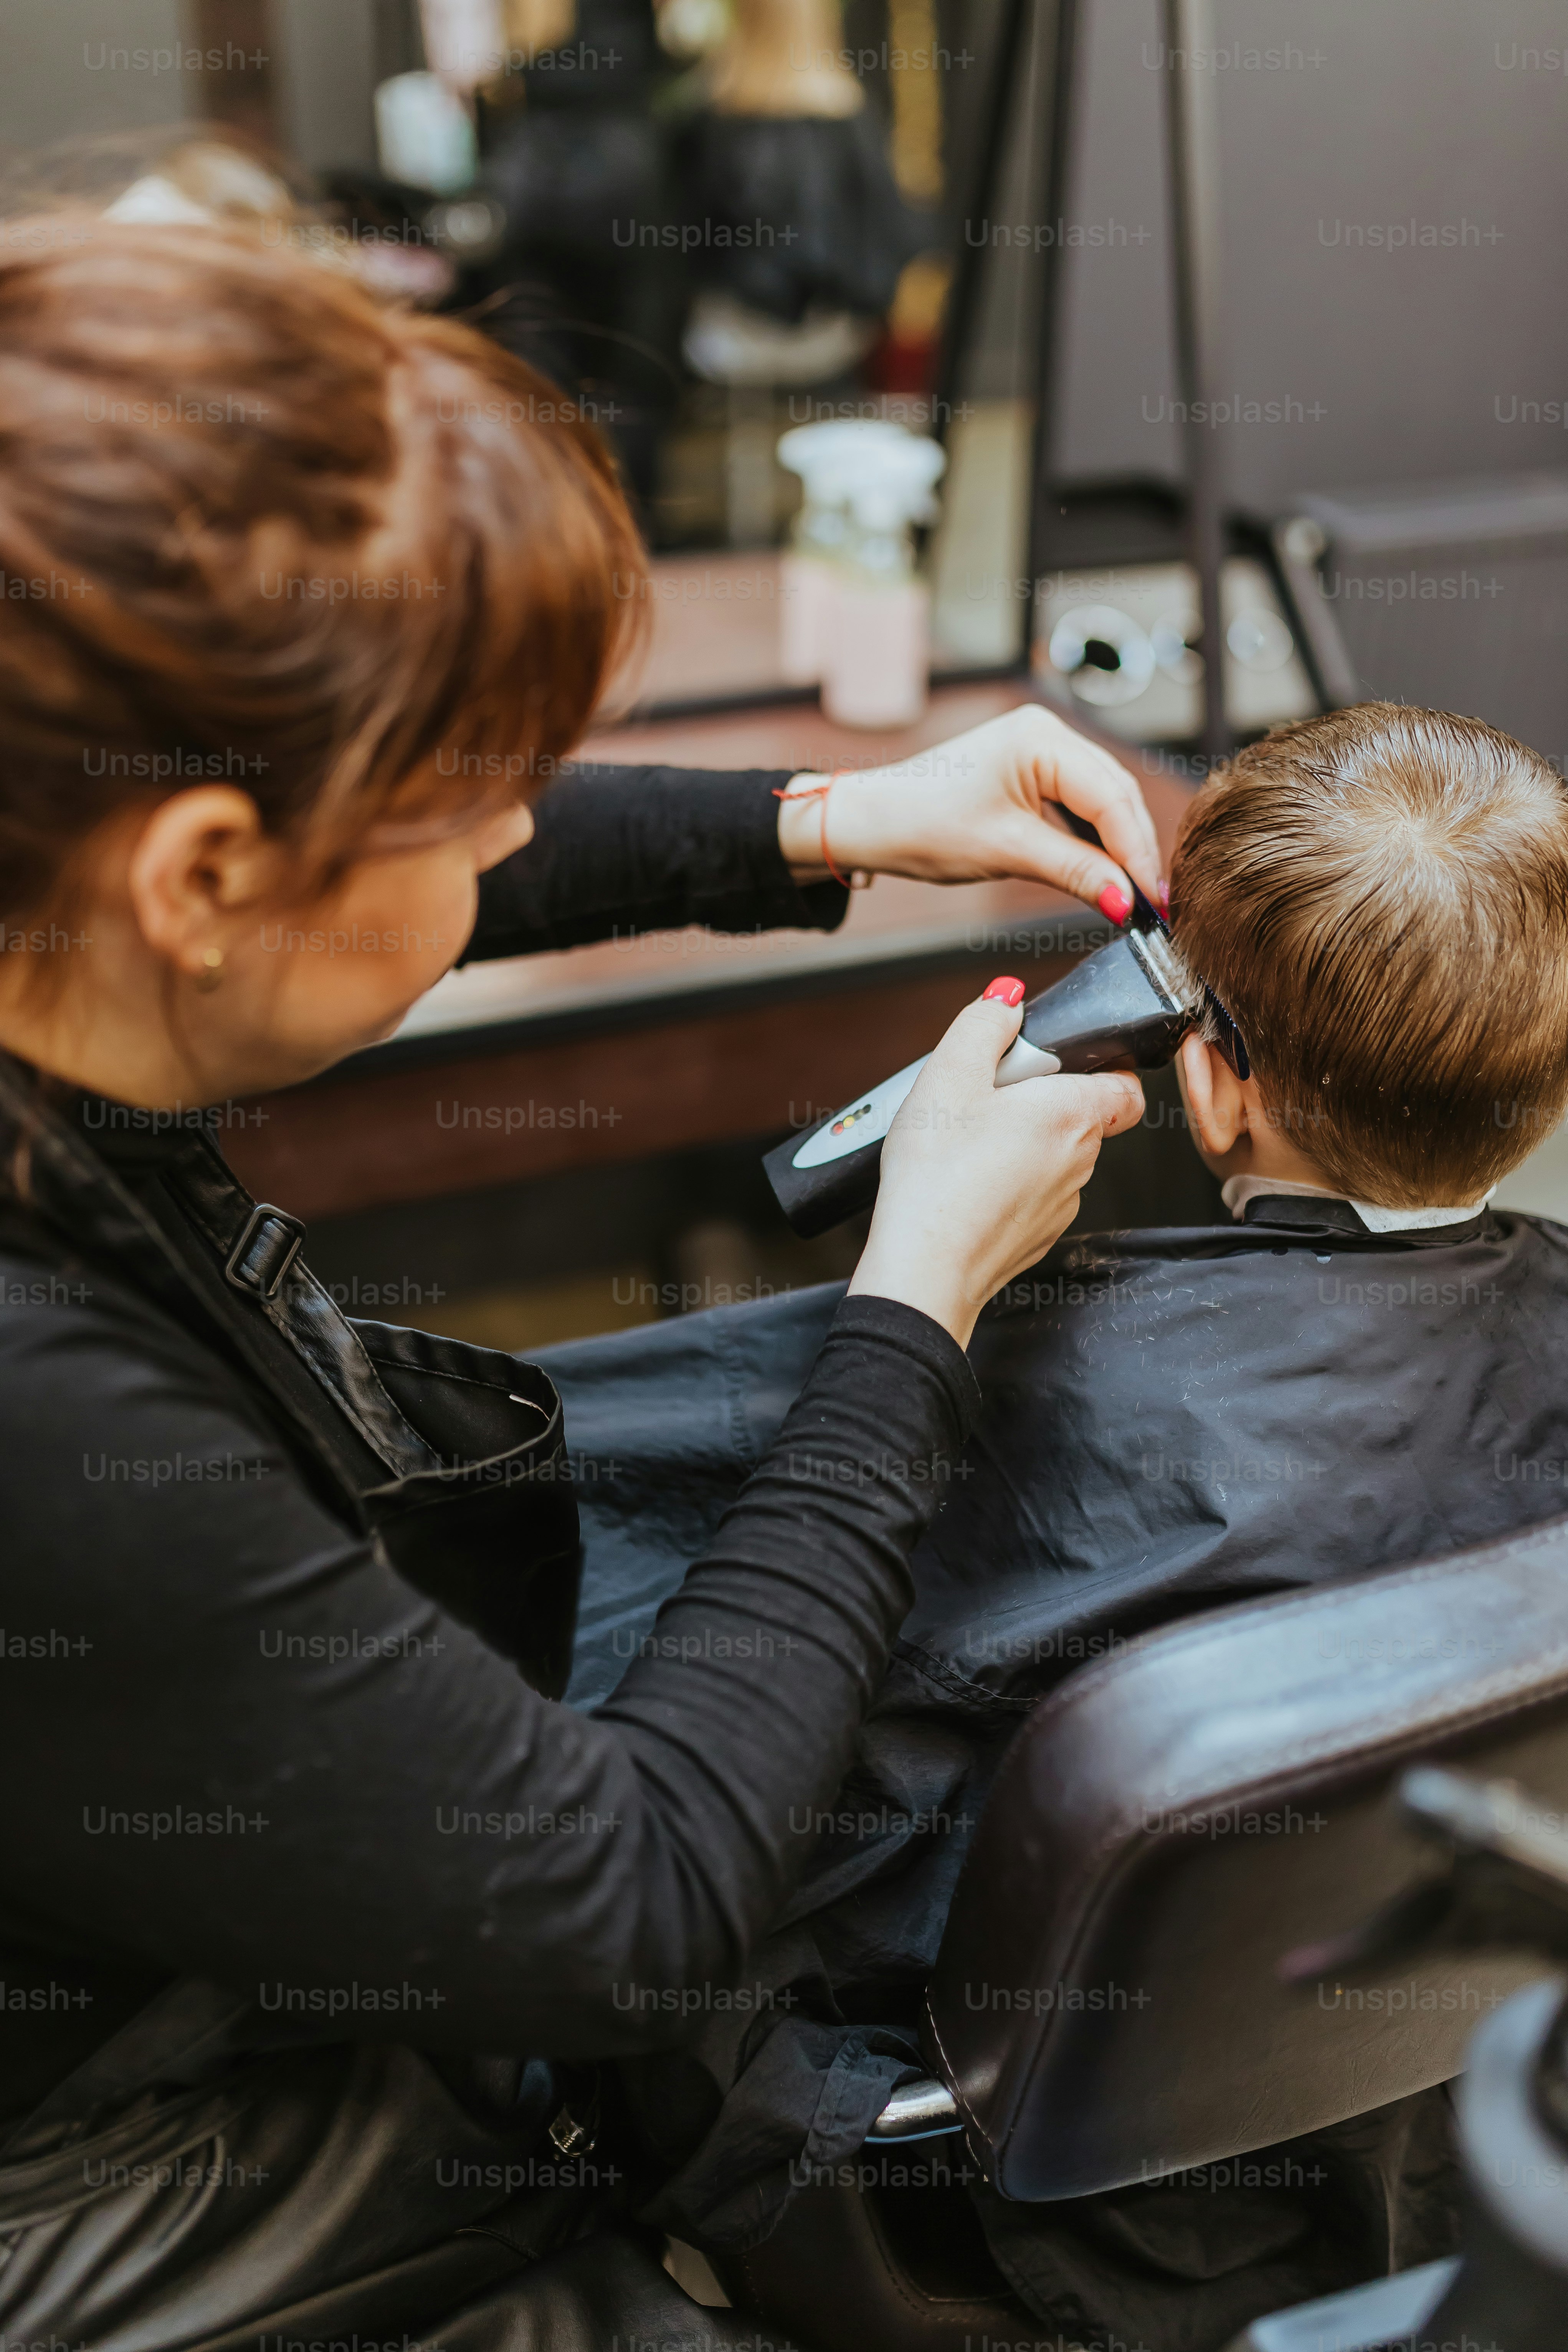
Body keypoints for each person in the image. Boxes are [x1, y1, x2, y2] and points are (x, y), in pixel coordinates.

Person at [0, 218, 1155, 2349]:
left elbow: (397, 848)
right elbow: (627, 1916)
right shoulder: (44, 1409)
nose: (505, 847)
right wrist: (911, 1305)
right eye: (472, 808)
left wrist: (827, 821)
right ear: (199, 882)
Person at [560, 703, 1568, 2349]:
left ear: (1206, 1076)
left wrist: (916, 1299)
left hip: (964, 2213)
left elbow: (690, 1756)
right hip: (1388, 2145)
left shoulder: (1014, 1373)